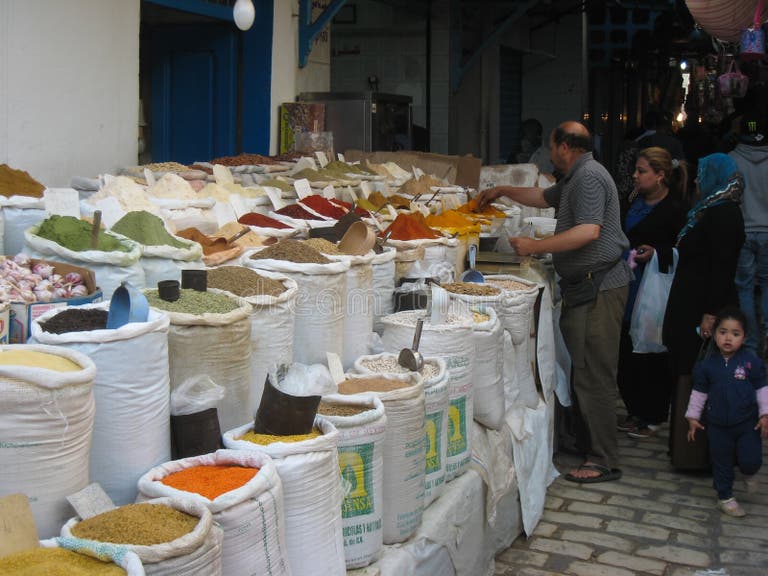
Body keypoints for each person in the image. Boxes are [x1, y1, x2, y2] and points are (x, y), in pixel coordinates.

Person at [477, 121, 631, 483]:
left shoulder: (589, 176)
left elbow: (589, 230)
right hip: (587, 287)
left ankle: (602, 459)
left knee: (594, 376)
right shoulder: (577, 176)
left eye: (551, 145)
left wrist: (535, 247)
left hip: (599, 287)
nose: (549, 152)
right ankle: (591, 441)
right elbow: (544, 199)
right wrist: (501, 190)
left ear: (564, 146)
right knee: (586, 372)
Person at [663, 153, 745, 470]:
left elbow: (722, 270)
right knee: (688, 375)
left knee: (699, 378)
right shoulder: (709, 210)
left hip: (704, 310)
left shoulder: (724, 215)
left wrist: (711, 314)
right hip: (693, 305)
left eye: (703, 173)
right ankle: (686, 451)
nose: (697, 180)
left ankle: (698, 455)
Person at [617, 147, 688, 438]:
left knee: (651, 350)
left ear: (660, 176)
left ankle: (653, 413)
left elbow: (685, 251)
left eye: (642, 171)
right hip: (627, 284)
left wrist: (657, 253)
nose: (635, 176)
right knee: (626, 348)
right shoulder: (632, 201)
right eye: (636, 170)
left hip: (655, 292)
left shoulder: (675, 210)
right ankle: (635, 409)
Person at [685, 307, 768, 517]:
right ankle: (725, 497)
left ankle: (748, 472)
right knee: (721, 461)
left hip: (747, 423)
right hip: (717, 425)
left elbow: (762, 388)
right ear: (714, 334)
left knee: (751, 459)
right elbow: (699, 392)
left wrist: (764, 413)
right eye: (723, 332)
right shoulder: (707, 366)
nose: (728, 338)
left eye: (735, 334)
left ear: (744, 337)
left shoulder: (751, 363)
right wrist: (693, 417)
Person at [729, 112, 768, 356]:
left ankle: (751, 342)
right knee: (766, 284)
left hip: (743, 230)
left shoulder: (732, 159)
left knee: (743, 287)